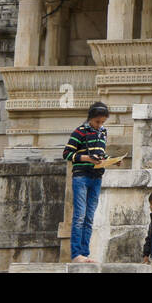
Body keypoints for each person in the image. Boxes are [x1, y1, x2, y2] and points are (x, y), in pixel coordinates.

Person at [62, 101, 109, 263]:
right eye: (97, 121)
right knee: (80, 216)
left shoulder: (103, 132)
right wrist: (87, 158)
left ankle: (85, 253)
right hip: (81, 177)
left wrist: (111, 160)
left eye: (102, 122)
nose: (99, 125)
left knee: (89, 218)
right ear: (90, 118)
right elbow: (67, 154)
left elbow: (101, 154)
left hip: (96, 177)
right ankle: (76, 254)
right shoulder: (80, 131)